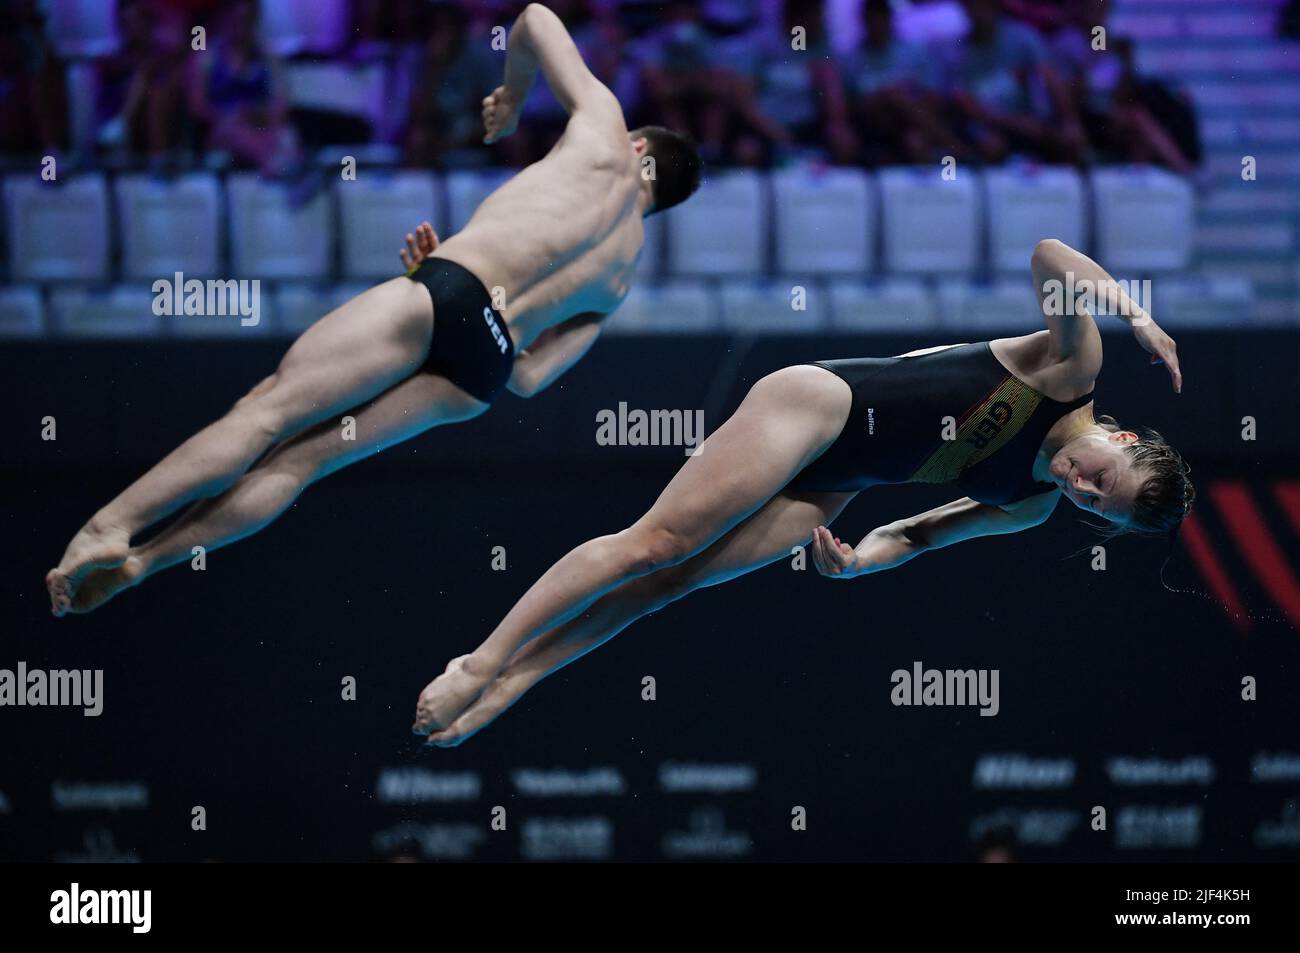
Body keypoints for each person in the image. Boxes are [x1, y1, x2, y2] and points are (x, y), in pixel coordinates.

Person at [45, 3, 702, 617]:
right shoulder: (620, 280)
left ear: (640, 148)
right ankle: (149, 561)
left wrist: (514, 94)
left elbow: (532, 19)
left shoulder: (606, 129)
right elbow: (529, 379)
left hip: (451, 289)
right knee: (302, 461)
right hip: (476, 374)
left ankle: (110, 526)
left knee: (267, 411)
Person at [412, 238, 1191, 746]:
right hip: (819, 405)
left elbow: (918, 534)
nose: (1080, 486)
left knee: (667, 586)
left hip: (840, 482)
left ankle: (513, 683)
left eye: (1093, 504)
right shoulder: (1073, 371)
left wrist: (861, 566)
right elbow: (1052, 255)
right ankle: (482, 660)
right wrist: (1137, 316)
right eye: (1102, 477)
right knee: (656, 543)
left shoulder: (1028, 504)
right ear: (1122, 438)